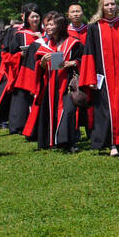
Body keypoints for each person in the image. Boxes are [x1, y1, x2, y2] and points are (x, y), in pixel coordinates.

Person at [78, 0, 119, 157]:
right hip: (102, 76)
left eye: (113, 4)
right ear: (101, 7)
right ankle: (111, 143)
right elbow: (89, 54)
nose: (110, 7)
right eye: (107, 5)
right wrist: (90, 77)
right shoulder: (94, 27)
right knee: (106, 110)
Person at [24, 11, 84, 152]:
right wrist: (43, 63)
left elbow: (84, 61)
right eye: (47, 24)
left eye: (51, 24)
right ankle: (51, 141)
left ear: (60, 25)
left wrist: (72, 63)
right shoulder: (45, 45)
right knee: (51, 112)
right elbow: (39, 67)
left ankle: (68, 142)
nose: (47, 26)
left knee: (67, 111)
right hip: (49, 86)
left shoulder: (73, 43)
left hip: (67, 84)